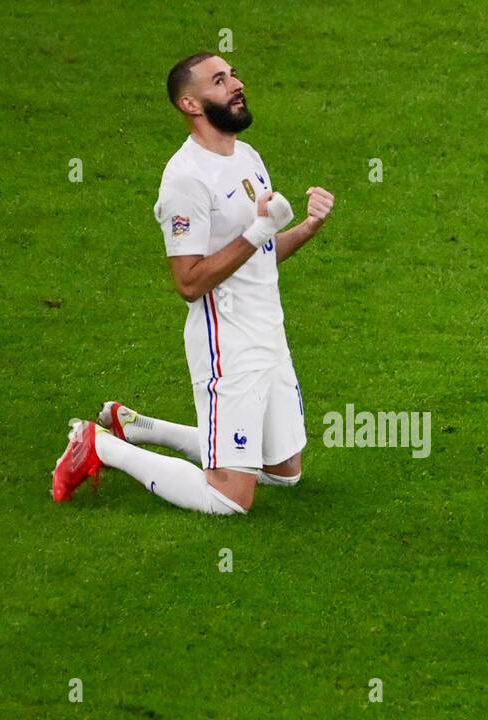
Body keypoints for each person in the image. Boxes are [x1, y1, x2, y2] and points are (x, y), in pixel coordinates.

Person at [52, 52, 335, 514]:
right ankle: (100, 445)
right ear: (190, 104)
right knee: (229, 498)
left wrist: (307, 227)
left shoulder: (247, 156)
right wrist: (260, 230)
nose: (236, 85)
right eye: (219, 81)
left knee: (284, 472)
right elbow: (188, 282)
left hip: (270, 333)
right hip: (228, 343)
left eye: (233, 75)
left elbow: (259, 256)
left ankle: (140, 427)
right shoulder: (186, 180)